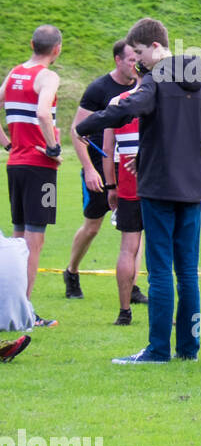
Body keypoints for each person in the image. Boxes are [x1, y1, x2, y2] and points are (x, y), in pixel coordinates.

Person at [79, 17, 201, 364]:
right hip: (191, 188)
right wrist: (148, 155)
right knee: (188, 272)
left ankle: (157, 350)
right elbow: (196, 137)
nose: (137, 61)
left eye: (139, 52)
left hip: (159, 190)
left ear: (155, 47)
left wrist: (86, 125)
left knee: (159, 269)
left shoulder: (155, 80)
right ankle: (189, 349)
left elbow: (127, 108)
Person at [64, 40, 140, 301]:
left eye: (138, 58)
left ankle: (131, 285)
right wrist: (88, 169)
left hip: (130, 166)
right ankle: (71, 271)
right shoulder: (99, 89)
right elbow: (76, 131)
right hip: (99, 164)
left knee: (135, 227)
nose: (136, 63)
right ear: (118, 60)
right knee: (93, 226)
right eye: (131, 59)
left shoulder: (145, 88)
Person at [1, 24, 63, 326]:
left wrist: (9, 143)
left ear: (31, 44)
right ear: (57, 49)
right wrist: (53, 148)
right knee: (33, 241)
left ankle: (10, 307)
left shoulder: (14, 73)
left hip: (15, 164)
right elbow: (41, 112)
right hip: (40, 167)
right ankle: (25, 311)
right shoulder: (47, 76)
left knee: (18, 237)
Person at [102, 85, 146, 326]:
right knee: (163, 250)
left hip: (128, 184)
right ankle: (167, 311)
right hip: (160, 182)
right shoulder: (162, 96)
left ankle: (124, 312)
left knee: (127, 248)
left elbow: (108, 149)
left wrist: (111, 185)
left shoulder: (117, 101)